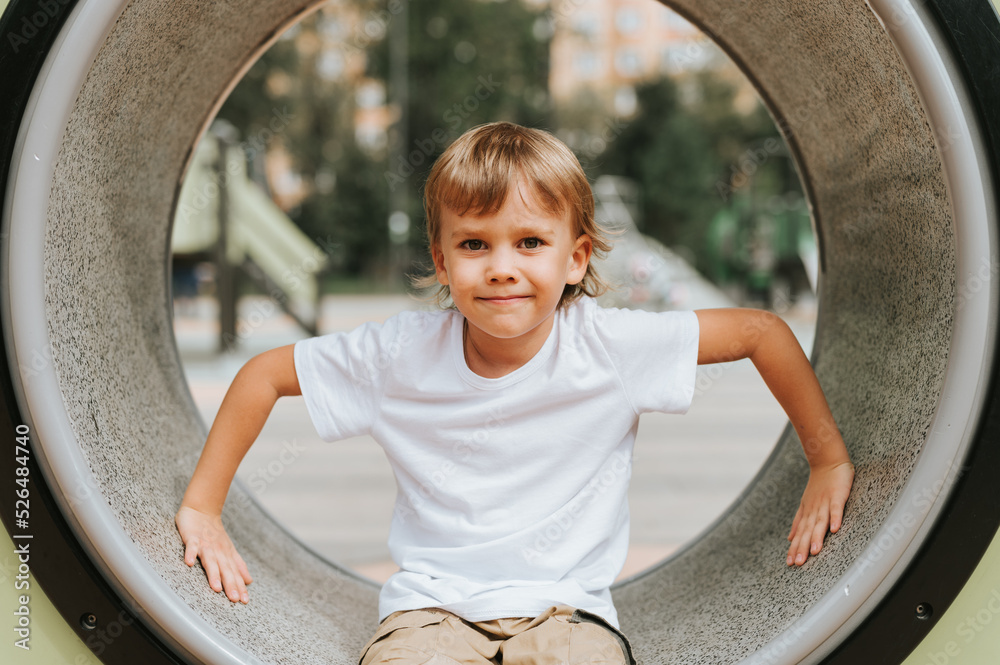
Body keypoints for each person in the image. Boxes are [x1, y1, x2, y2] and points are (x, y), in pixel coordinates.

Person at [175, 122, 854, 665]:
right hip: (428, 610)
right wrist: (203, 506)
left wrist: (826, 459)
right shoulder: (399, 355)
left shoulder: (608, 347)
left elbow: (763, 332)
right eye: (475, 243)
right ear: (442, 261)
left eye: (530, 241)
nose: (502, 268)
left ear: (576, 258)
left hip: (569, 611)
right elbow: (262, 374)